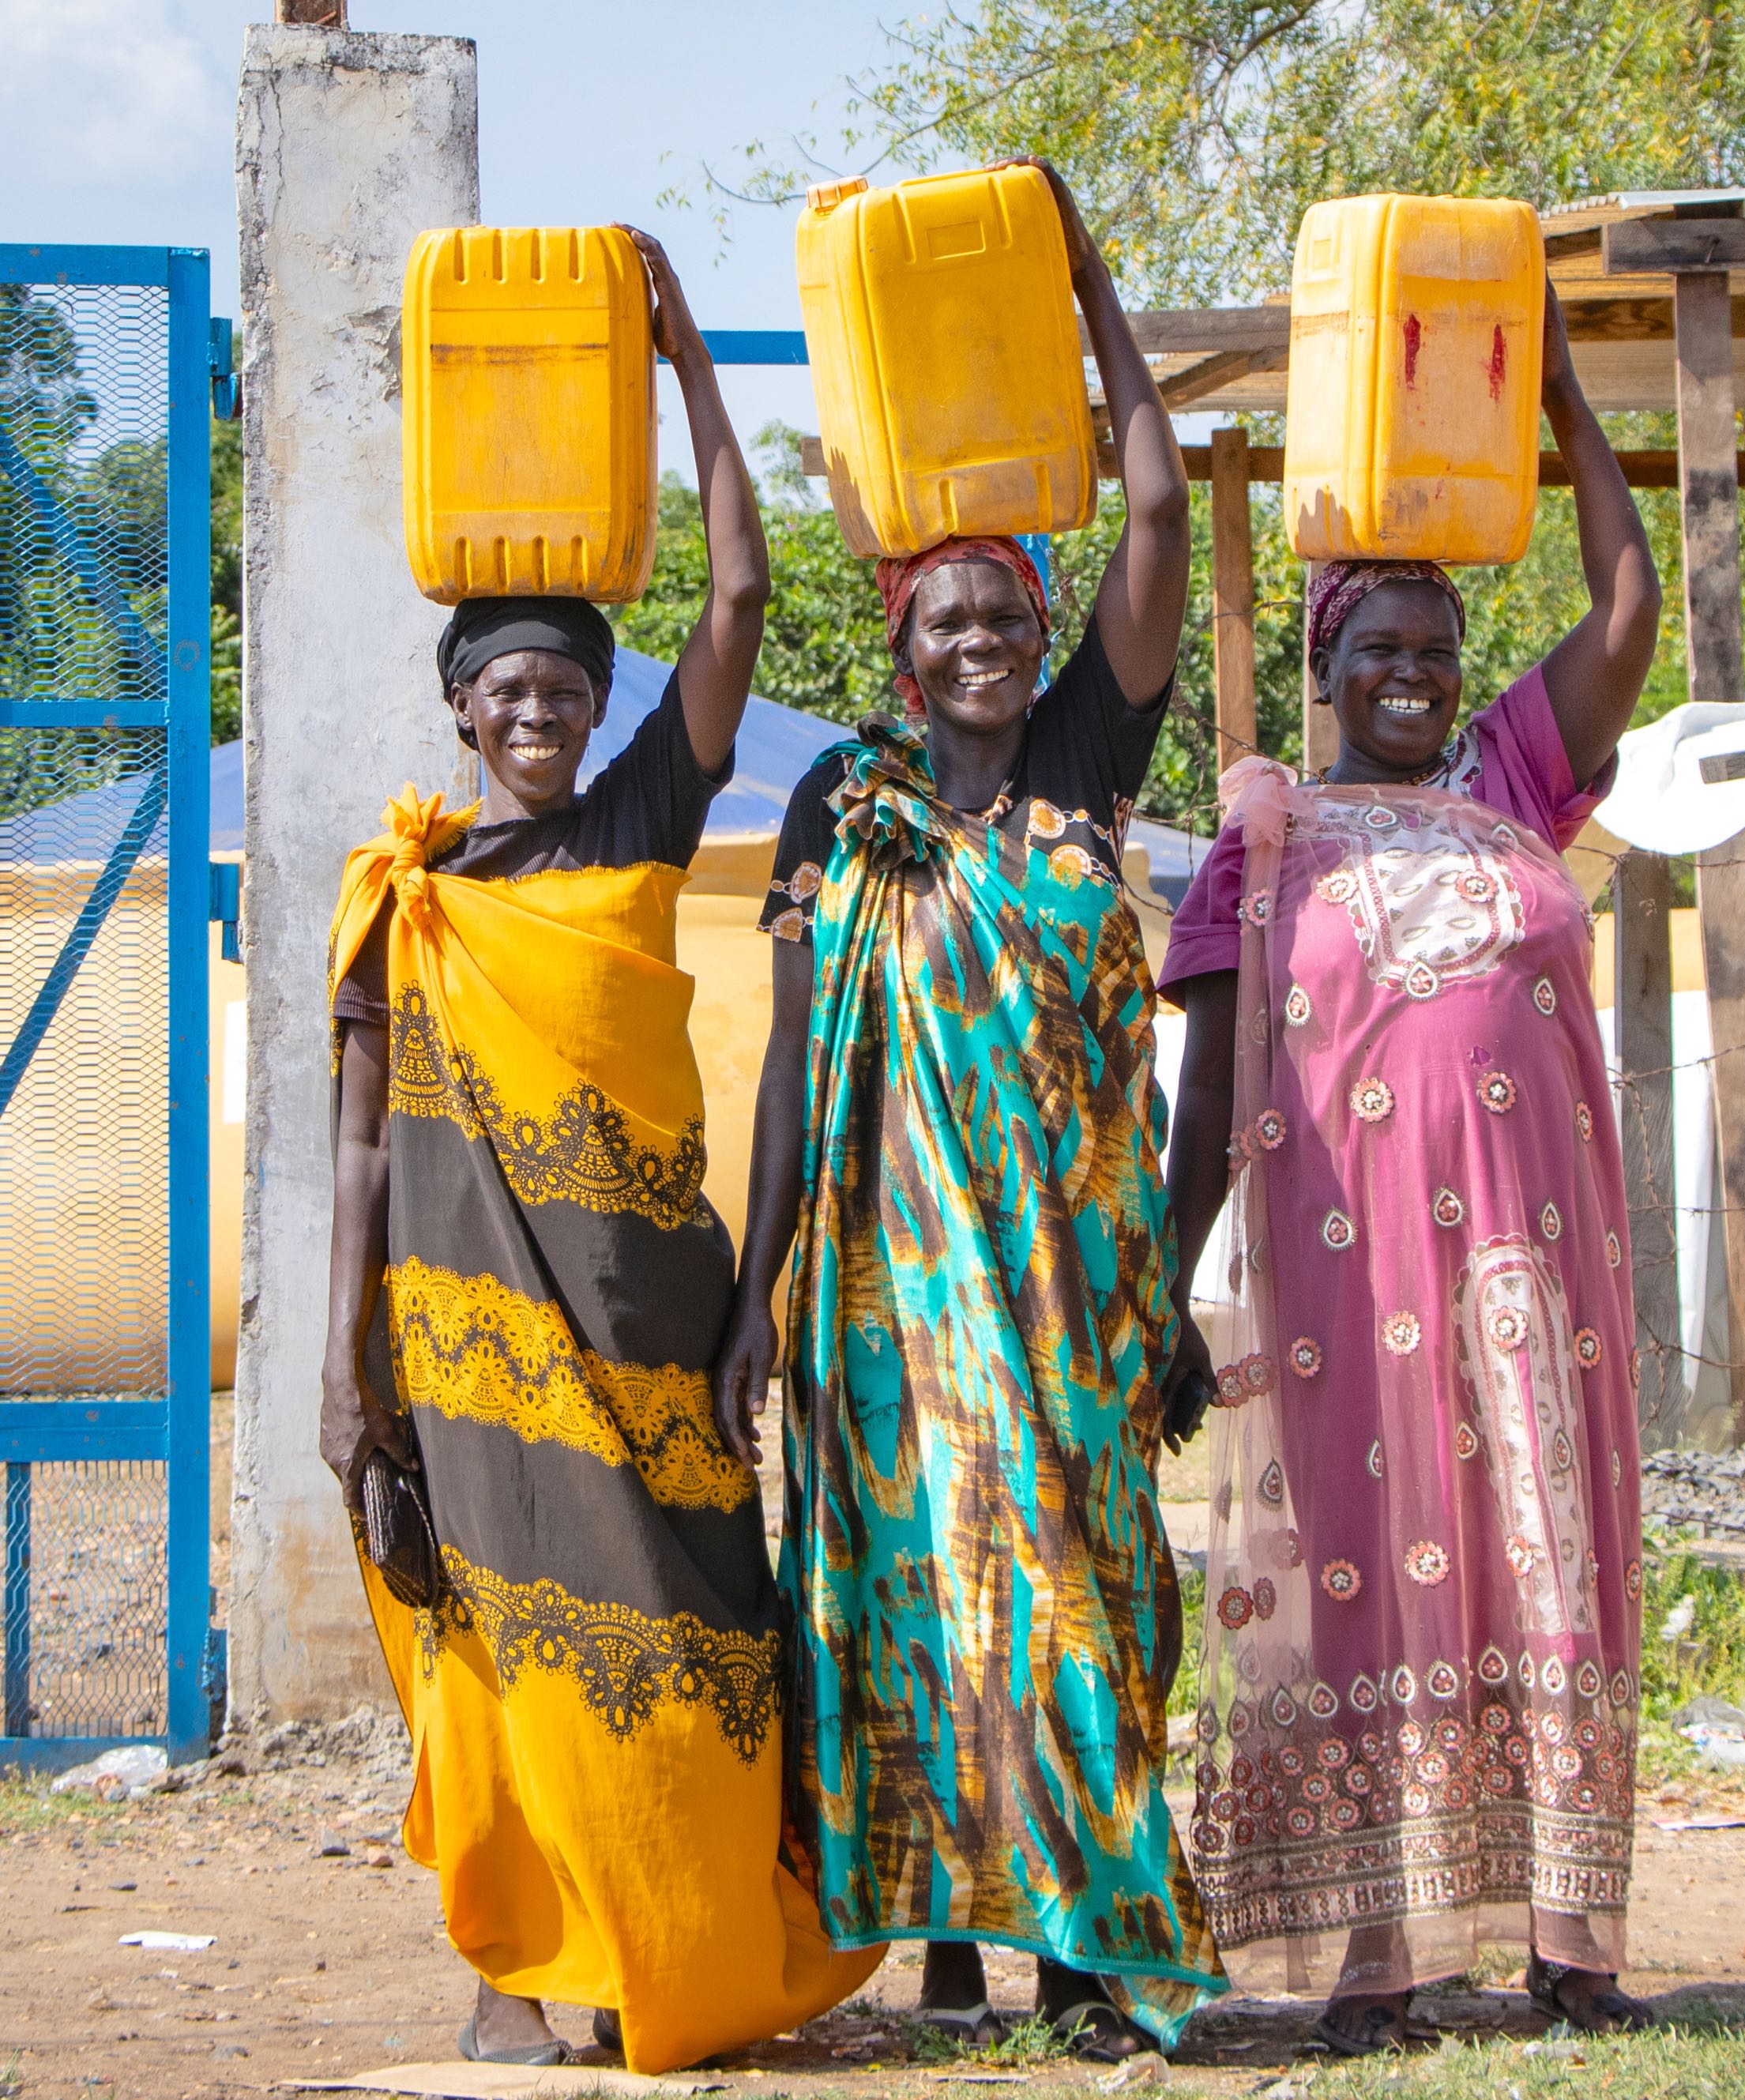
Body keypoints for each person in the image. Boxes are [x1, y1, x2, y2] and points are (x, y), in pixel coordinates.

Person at [322, 230, 880, 2073]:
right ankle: (526, 1956)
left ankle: (693, 1943)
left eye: (569, 690)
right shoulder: (405, 901)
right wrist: (349, 1376)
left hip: (659, 1326)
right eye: (513, 695)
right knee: (495, 1645)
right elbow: (357, 1162)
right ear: (461, 712)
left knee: (698, 1634)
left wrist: (681, 358)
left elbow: (734, 594)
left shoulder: (644, 817)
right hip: (467, 1338)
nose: (543, 717)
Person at [713, 160, 1221, 2062]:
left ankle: (1089, 1956)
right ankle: (952, 1938)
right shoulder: (844, 808)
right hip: (885, 1299)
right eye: (947, 622)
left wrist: (1092, 278)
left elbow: (1155, 504)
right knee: (918, 1598)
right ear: (903, 654)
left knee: (1082, 1600)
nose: (984, 642)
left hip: (1077, 1293)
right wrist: (755, 1293)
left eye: (1006, 612)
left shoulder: (1089, 768)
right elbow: (785, 1062)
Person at [1157, 283, 1665, 2053]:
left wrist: (1565, 394)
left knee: (1548, 1555)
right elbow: (1213, 1081)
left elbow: (1626, 604)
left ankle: (1573, 1943)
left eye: (1432, 646)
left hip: (1535, 1277)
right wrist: (1166, 1282)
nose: (1409, 676)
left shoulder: (1513, 783)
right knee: (1363, 1579)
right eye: (1374, 648)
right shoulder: (1260, 839)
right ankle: (1373, 1964)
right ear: (1321, 669)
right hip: (1345, 1283)